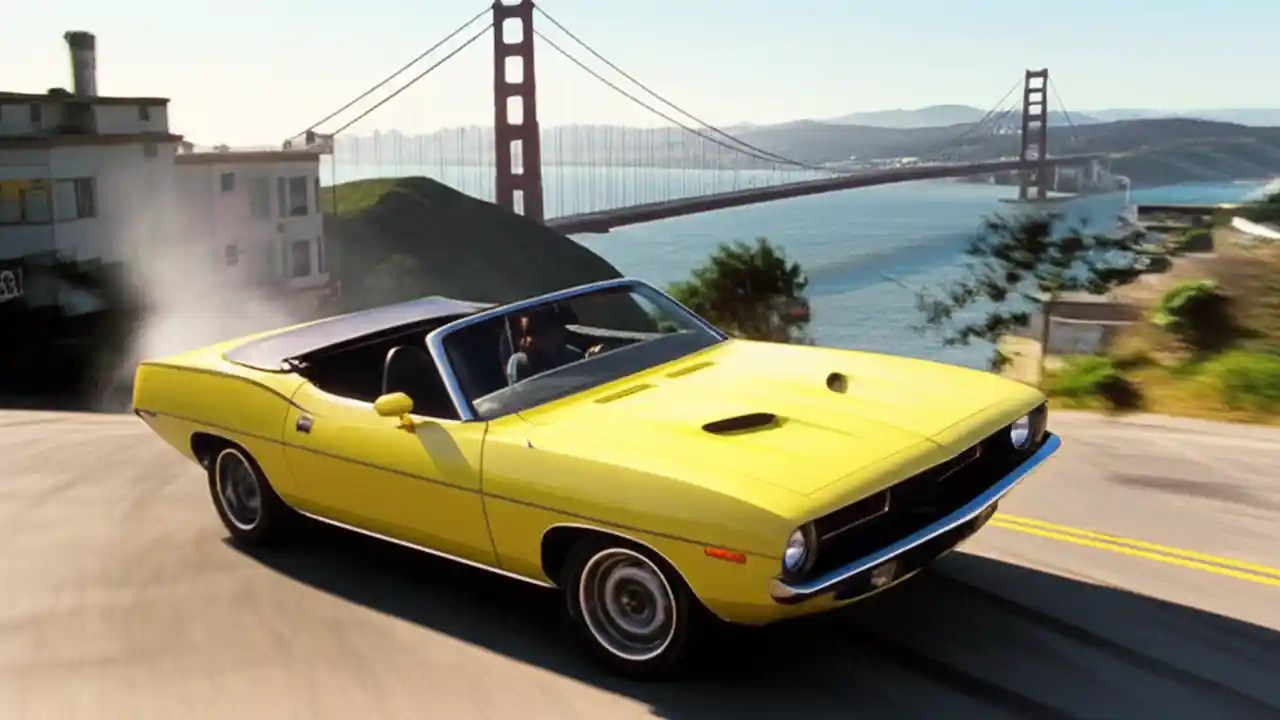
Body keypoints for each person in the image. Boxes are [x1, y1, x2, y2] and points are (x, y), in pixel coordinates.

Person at [505, 306, 602, 385]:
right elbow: (520, 396)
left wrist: (591, 360)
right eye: (542, 334)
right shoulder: (520, 363)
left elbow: (585, 382)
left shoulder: (572, 356)